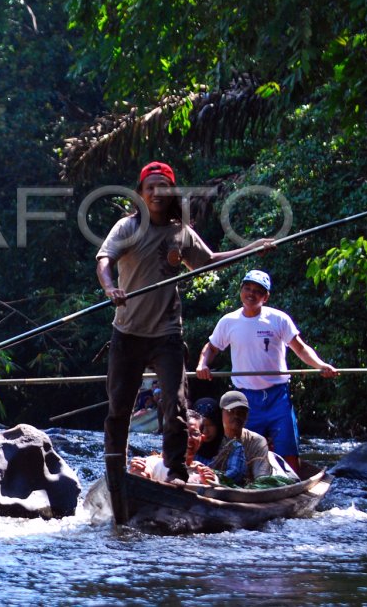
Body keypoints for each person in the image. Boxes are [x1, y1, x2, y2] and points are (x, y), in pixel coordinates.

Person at [95, 161, 268, 517]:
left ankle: (176, 473)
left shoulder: (180, 232)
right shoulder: (127, 227)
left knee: (174, 406)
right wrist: (111, 288)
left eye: (163, 187)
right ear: (141, 194)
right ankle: (116, 473)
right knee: (118, 409)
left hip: (167, 334)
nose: (157, 193)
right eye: (150, 187)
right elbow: (104, 259)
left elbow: (209, 260)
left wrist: (252, 248)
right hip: (127, 332)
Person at [195, 269, 338, 471]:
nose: (251, 294)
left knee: (287, 447)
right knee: (245, 452)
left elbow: (300, 348)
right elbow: (211, 348)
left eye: (257, 291)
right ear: (241, 291)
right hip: (245, 400)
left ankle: (291, 487)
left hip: (277, 397)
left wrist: (321, 365)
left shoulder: (278, 319)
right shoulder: (228, 321)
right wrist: (203, 365)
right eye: (247, 289)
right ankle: (250, 489)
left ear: (266, 296)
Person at [128, 409, 218, 486]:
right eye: (182, 433)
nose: (188, 438)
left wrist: (210, 485)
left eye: (194, 433)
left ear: (201, 438)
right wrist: (140, 477)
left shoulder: (205, 474)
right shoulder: (151, 464)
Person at [207, 390, 272, 486]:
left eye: (241, 412)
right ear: (221, 413)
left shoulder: (257, 441)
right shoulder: (210, 437)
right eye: (230, 411)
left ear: (247, 415)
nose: (236, 415)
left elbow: (262, 478)